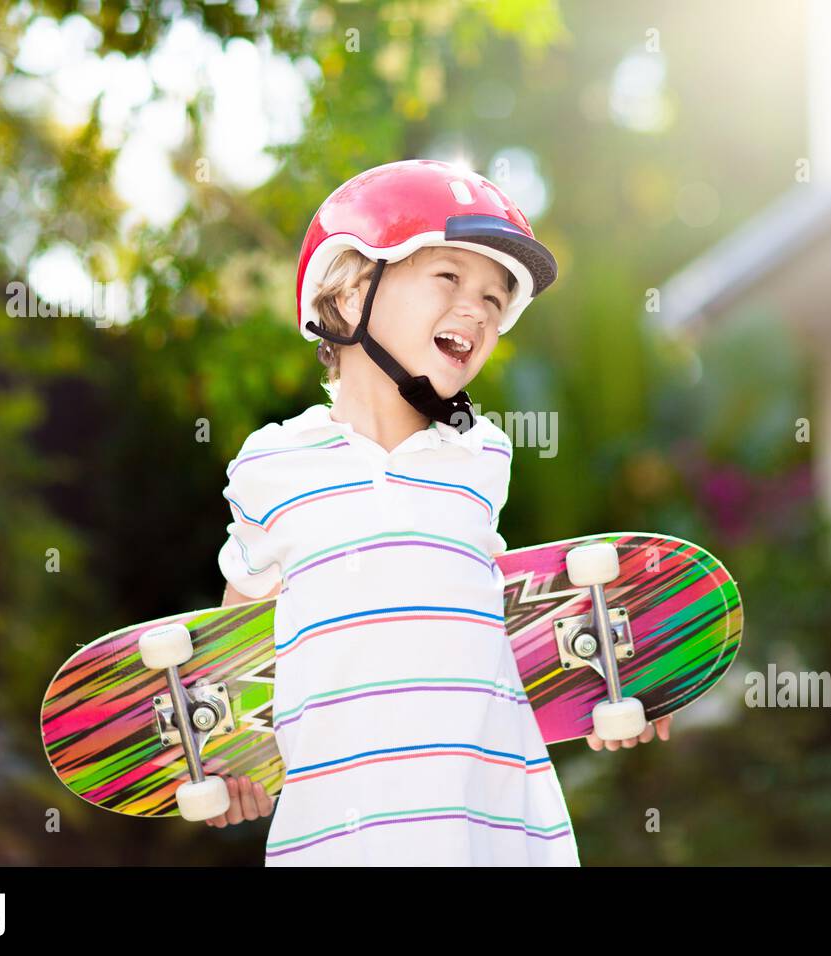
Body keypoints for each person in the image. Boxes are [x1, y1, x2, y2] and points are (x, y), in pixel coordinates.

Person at [207, 159, 670, 865]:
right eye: (449, 278)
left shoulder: (480, 460)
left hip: (499, 840)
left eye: (495, 297)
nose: (477, 309)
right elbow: (233, 644)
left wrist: (601, 692)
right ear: (353, 290)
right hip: (336, 843)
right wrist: (231, 755)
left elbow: (490, 626)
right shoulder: (275, 465)